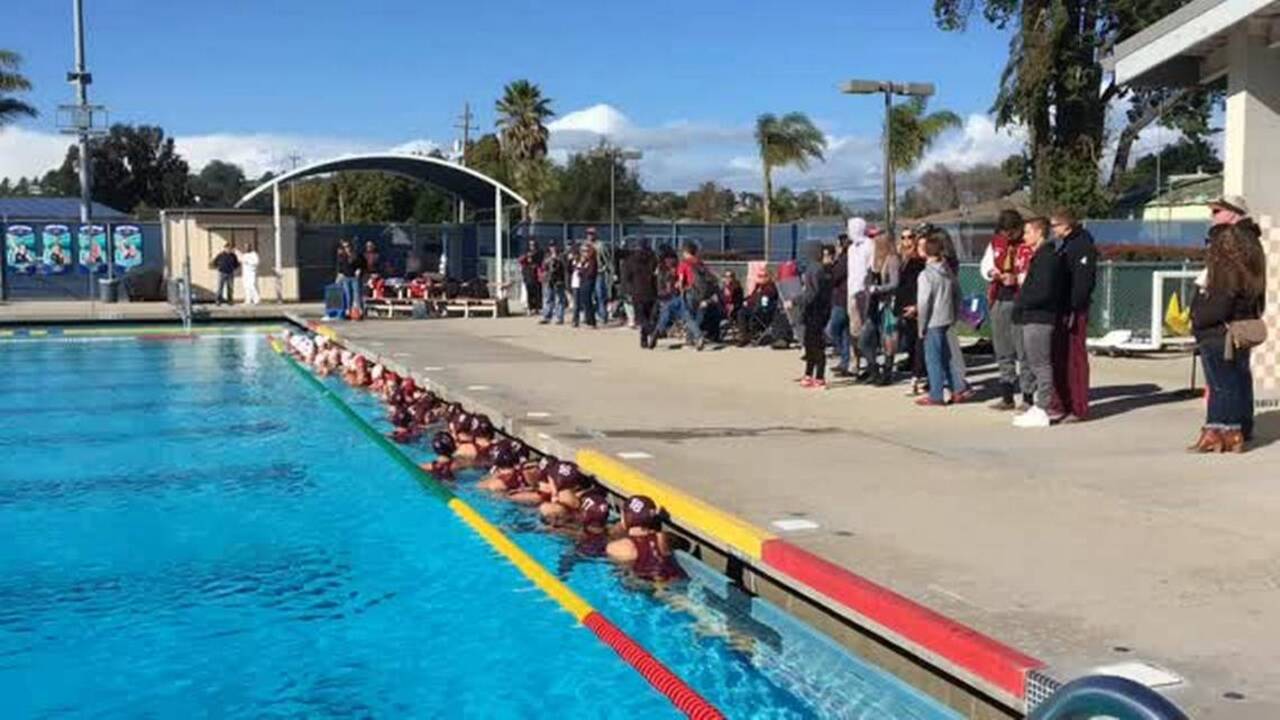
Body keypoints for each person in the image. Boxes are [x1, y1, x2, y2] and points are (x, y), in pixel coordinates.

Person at [1189, 224, 1266, 453]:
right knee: (1231, 382)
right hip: (1237, 333)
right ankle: (1224, 428)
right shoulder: (1250, 271)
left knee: (1221, 385)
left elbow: (1218, 308)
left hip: (1217, 335)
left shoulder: (1225, 273)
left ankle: (1225, 429)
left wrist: (1197, 318)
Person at [1011, 217, 1062, 429]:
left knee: (1041, 364)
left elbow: (1043, 290)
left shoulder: (1047, 257)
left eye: (1027, 232)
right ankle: (1039, 405)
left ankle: (1043, 406)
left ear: (1039, 233)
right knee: (1033, 363)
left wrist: (1023, 300)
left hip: (1040, 317)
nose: (1024, 237)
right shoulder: (1039, 256)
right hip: (1031, 316)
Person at [1049, 207, 1098, 422]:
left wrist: (1074, 307)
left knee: (1075, 359)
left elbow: (1083, 281)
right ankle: (1062, 401)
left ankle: (1078, 406)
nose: (1053, 230)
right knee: (1060, 357)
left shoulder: (1082, 246)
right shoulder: (1065, 246)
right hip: (1061, 306)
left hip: (1074, 308)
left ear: (1067, 225)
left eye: (1056, 225)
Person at [981, 210, 1032, 409]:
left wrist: (1017, 279)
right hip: (999, 299)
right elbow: (986, 264)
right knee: (1003, 350)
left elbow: (1033, 272)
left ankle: (1028, 396)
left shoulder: (1027, 243)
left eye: (1011, 232)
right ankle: (1007, 395)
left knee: (1023, 351)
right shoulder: (996, 242)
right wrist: (992, 272)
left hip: (1020, 300)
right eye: (1004, 232)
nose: (1008, 237)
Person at [916, 229, 967, 406]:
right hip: (947, 318)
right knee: (948, 358)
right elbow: (958, 293)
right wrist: (954, 312)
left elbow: (924, 302)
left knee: (933, 360)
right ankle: (958, 389)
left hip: (932, 321)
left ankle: (936, 394)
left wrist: (921, 325)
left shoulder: (926, 275)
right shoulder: (947, 272)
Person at [607, 495, 683, 581]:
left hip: (643, 585)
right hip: (672, 580)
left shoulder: (618, 547)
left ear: (627, 517)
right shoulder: (663, 538)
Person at [861, 231, 901, 385]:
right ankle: (874, 369)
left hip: (888, 305)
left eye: (876, 242)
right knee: (864, 340)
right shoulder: (875, 261)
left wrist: (877, 289)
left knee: (888, 340)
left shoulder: (892, 260)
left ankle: (887, 373)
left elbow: (895, 283)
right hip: (874, 305)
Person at [797, 244, 835, 389]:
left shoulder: (814, 270)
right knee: (812, 343)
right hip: (822, 311)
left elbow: (811, 293)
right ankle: (809, 374)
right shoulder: (825, 270)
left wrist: (795, 300)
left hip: (815, 311)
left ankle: (818, 376)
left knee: (815, 345)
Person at [895, 230, 926, 395]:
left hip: (916, 306)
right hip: (905, 305)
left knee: (918, 342)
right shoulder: (903, 260)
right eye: (903, 237)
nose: (907, 241)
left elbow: (919, 286)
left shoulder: (920, 262)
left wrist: (916, 306)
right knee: (911, 343)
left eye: (910, 237)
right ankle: (917, 372)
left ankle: (918, 376)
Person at [845, 218, 875, 373]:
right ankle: (854, 361)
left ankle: (870, 363)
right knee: (853, 330)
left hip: (864, 292)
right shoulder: (851, 249)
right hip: (852, 292)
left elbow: (871, 269)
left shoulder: (869, 245)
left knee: (865, 329)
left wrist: (866, 289)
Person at [623, 241, 659, 348]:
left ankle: (651, 331)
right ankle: (644, 339)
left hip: (637, 291)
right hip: (651, 291)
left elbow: (626, 278)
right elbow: (656, 275)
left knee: (640, 317)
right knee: (647, 316)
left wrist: (627, 291)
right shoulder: (653, 259)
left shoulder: (630, 260)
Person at [826, 235, 852, 376]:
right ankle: (844, 362)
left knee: (832, 329)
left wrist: (830, 265)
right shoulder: (843, 259)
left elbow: (835, 276)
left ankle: (843, 354)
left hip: (841, 300)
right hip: (843, 298)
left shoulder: (844, 260)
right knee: (844, 332)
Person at [737, 267, 780, 345]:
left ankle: (753, 334)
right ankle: (744, 336)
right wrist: (746, 301)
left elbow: (766, 301)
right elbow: (751, 297)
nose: (761, 278)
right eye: (760, 276)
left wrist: (758, 299)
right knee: (741, 312)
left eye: (764, 276)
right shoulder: (758, 287)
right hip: (753, 307)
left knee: (754, 313)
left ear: (769, 277)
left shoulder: (770, 287)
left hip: (764, 310)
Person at [539, 244, 568, 325]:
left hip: (559, 280)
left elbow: (565, 266)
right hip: (549, 280)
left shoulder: (562, 255)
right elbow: (543, 266)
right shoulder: (547, 256)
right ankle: (547, 316)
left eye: (555, 246)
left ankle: (559, 317)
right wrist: (550, 260)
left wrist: (557, 259)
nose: (553, 248)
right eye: (551, 246)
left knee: (559, 299)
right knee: (548, 299)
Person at [572, 242, 597, 328]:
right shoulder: (583, 260)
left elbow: (590, 273)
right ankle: (587, 320)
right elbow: (574, 269)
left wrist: (581, 270)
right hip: (582, 282)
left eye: (586, 251)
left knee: (588, 302)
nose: (584, 253)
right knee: (584, 302)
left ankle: (591, 322)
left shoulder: (592, 261)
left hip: (589, 282)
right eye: (582, 251)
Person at [520, 238, 545, 314]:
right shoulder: (526, 253)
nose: (532, 246)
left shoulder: (539, 252)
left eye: (533, 245)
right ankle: (530, 308)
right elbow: (521, 262)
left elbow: (541, 262)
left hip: (536, 274)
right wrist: (526, 257)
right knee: (529, 292)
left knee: (537, 292)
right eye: (530, 245)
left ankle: (537, 308)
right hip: (528, 274)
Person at [212, 240, 240, 305]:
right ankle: (218, 300)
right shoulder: (220, 255)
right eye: (227, 248)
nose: (229, 249)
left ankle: (230, 301)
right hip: (222, 273)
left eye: (230, 248)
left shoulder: (233, 255)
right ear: (225, 248)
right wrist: (218, 267)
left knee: (230, 287)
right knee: (220, 287)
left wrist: (233, 268)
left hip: (230, 273)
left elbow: (236, 264)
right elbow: (214, 262)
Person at [239, 241, 261, 306]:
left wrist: (248, 261)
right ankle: (248, 300)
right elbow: (241, 260)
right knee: (246, 287)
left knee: (252, 286)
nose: (246, 248)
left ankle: (256, 300)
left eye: (247, 247)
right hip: (245, 273)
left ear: (250, 247)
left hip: (251, 273)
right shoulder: (244, 255)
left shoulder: (254, 254)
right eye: (245, 247)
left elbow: (256, 262)